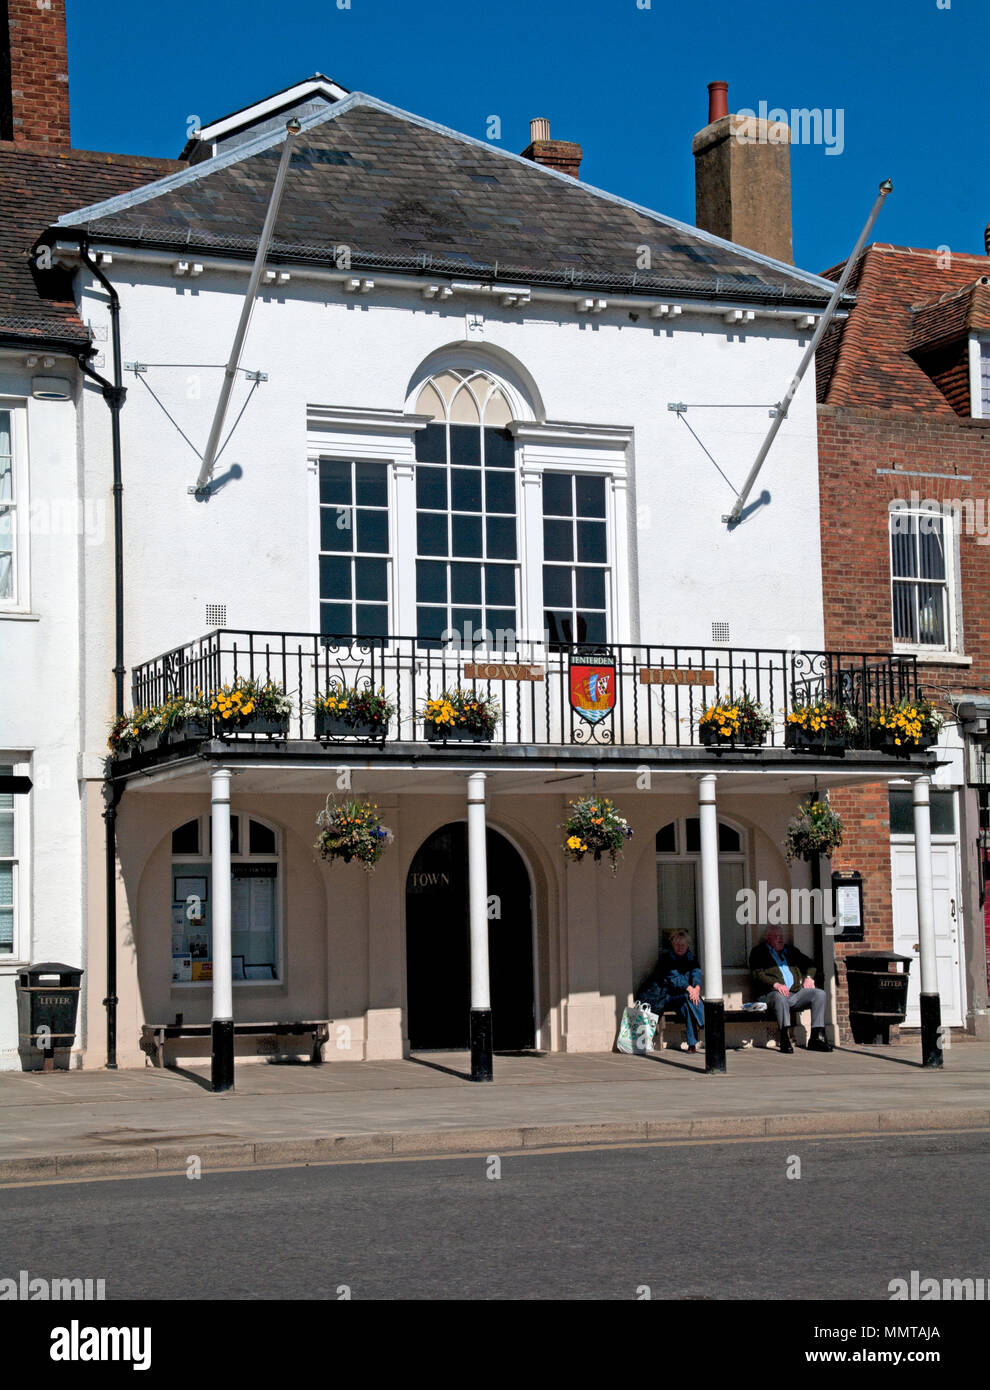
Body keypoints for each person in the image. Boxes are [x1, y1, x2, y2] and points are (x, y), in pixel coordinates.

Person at [749, 925, 833, 1053]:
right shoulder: (758, 952)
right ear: (768, 939)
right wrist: (775, 984)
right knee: (779, 996)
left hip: (794, 993)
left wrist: (809, 977)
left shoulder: (790, 951)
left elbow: (810, 964)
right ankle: (785, 1037)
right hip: (770, 994)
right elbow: (757, 974)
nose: (780, 939)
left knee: (819, 994)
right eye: (776, 937)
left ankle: (816, 1038)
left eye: (781, 936)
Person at [638, 929, 704, 1052]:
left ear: (687, 945)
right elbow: (674, 978)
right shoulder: (667, 959)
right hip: (665, 997)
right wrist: (690, 989)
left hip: (683, 997)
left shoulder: (691, 958)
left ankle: (692, 1044)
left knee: (688, 1005)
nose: (680, 948)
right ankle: (706, 1023)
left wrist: (697, 988)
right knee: (688, 998)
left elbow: (696, 973)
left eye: (683, 945)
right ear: (672, 945)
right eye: (677, 945)